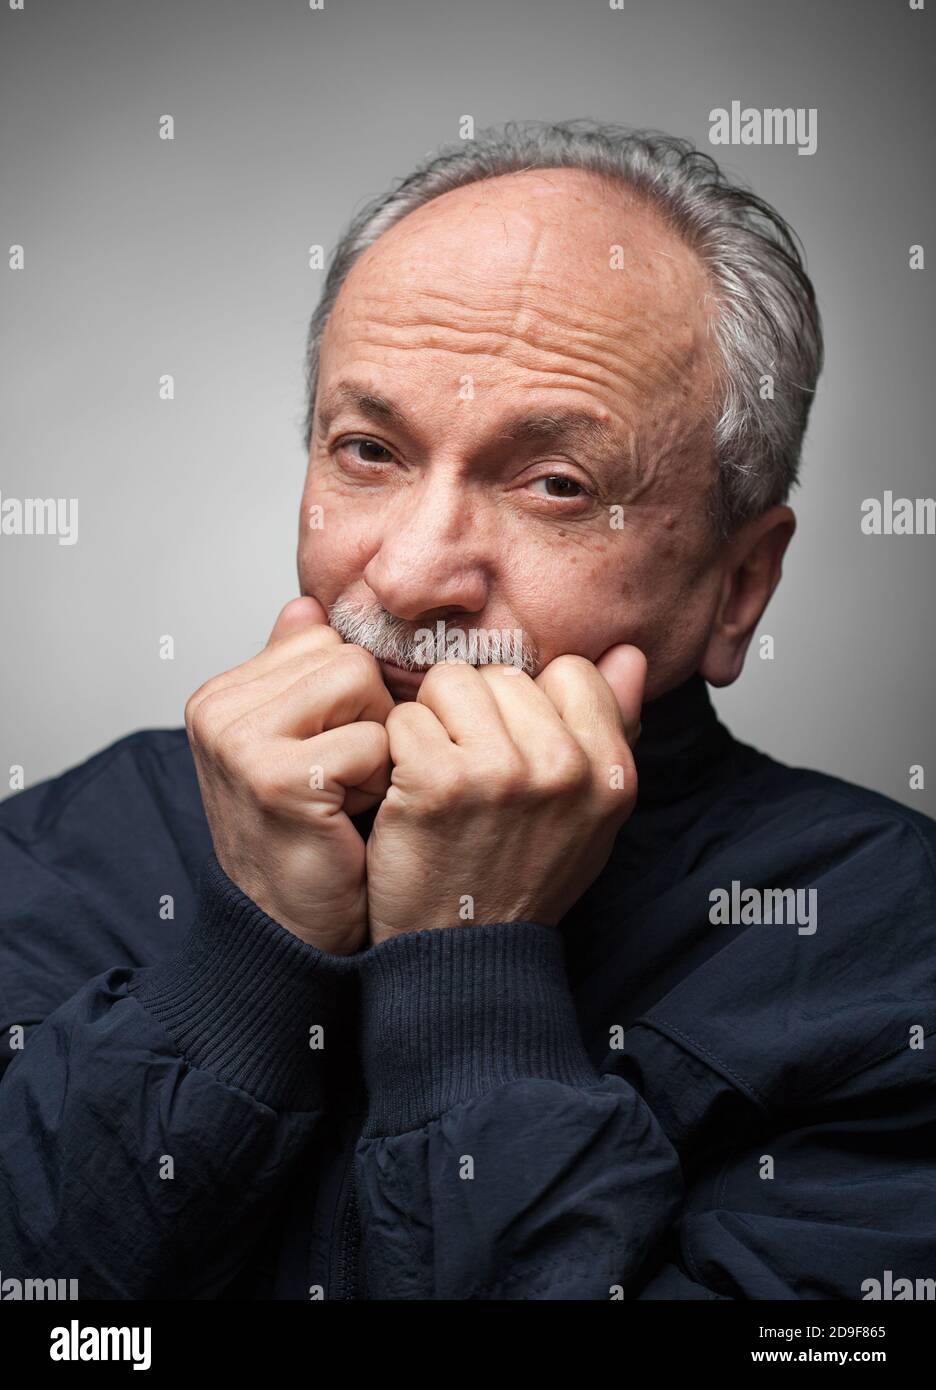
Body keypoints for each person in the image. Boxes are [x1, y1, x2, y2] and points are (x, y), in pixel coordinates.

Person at [2, 121, 933, 1301]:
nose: (402, 577)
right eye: (369, 449)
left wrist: (471, 975)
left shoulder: (886, 950)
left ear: (736, 587)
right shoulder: (66, 848)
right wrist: (247, 955)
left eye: (555, 484)